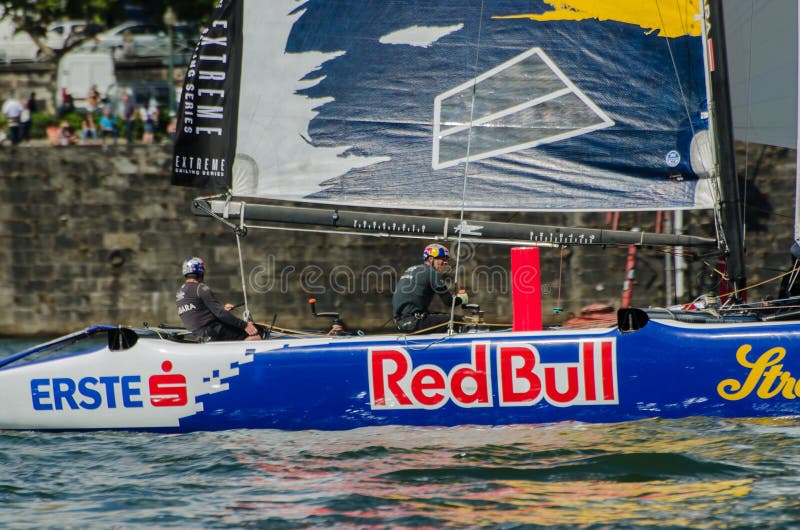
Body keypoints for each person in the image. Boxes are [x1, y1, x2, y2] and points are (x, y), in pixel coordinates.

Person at [175, 257, 263, 342]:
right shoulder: (201, 288)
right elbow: (220, 314)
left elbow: (199, 314)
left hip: (199, 334)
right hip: (213, 331)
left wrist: (223, 310)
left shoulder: (179, 293)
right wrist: (245, 326)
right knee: (257, 333)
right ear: (201, 272)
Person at [391, 244, 468, 334]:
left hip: (401, 324)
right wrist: (462, 298)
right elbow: (449, 301)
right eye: (442, 258)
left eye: (446, 259)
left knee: (444, 316)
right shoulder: (432, 273)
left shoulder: (411, 269)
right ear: (431, 259)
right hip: (414, 323)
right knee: (457, 320)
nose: (445, 262)